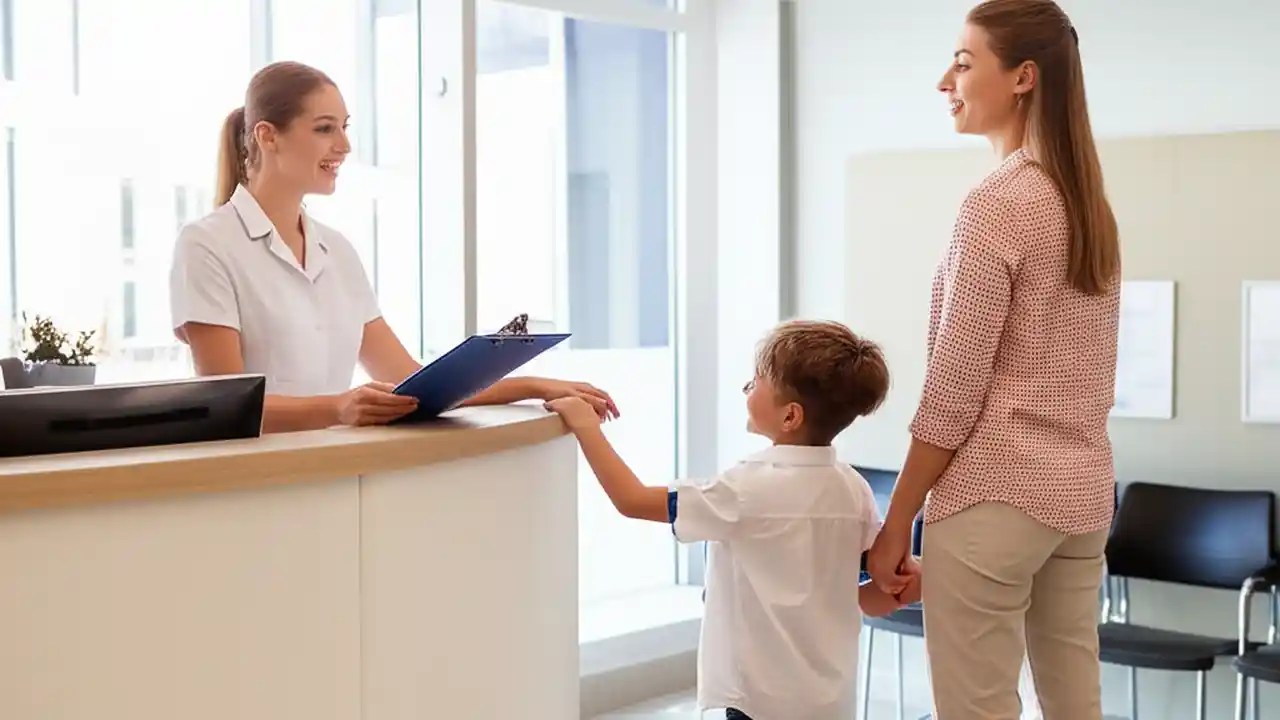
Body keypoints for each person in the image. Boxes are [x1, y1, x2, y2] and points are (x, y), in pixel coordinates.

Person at [865, 1, 1120, 718]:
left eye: (965, 62)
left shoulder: (998, 203)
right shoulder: (1088, 205)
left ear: (1023, 78)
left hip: (994, 501)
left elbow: (953, 393)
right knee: (1076, 704)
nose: (945, 79)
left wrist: (897, 523)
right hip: (1081, 498)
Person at [170, 61, 616, 433]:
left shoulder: (336, 251)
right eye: (325, 129)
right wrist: (338, 408)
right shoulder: (207, 245)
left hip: (343, 477)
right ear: (267, 136)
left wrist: (534, 385)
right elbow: (225, 400)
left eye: (343, 128)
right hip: (253, 486)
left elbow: (410, 381)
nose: (343, 146)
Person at [545, 319, 919, 719]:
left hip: (760, 700)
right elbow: (868, 599)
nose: (746, 390)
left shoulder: (746, 489)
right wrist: (914, 582)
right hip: (829, 702)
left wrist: (585, 426)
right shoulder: (853, 489)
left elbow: (632, 500)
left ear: (790, 416)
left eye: (755, 383)